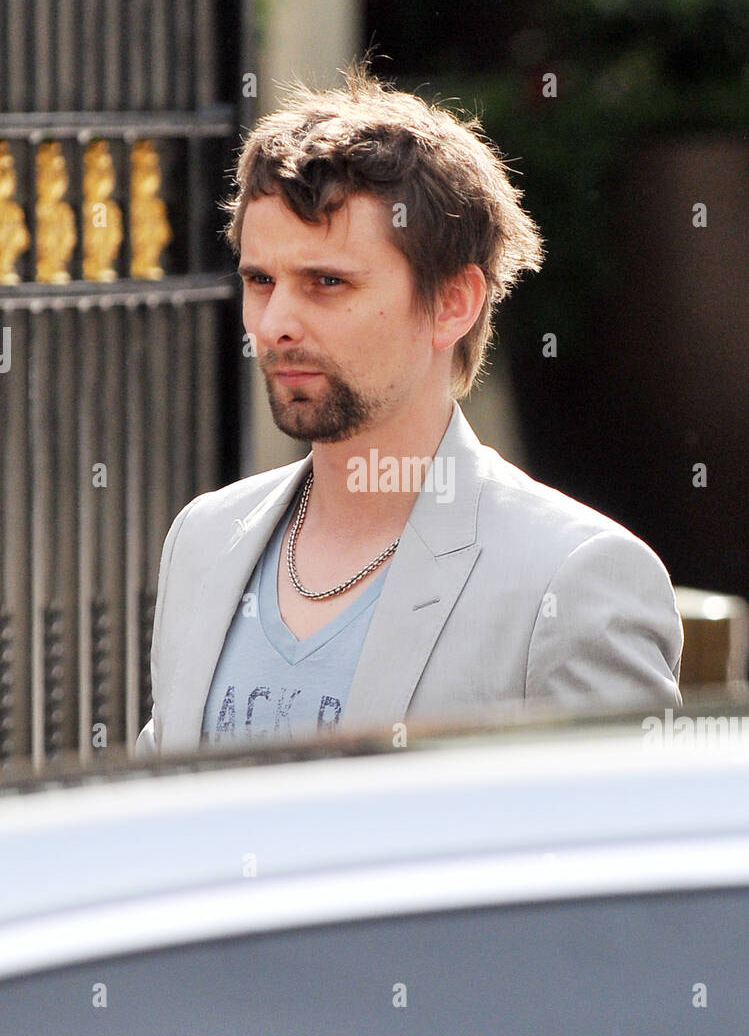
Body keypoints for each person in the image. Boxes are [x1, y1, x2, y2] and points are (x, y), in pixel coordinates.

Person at [136, 62, 682, 756]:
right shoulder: (205, 541)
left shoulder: (572, 580)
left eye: (327, 282)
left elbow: (626, 856)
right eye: (260, 280)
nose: (275, 322)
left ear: (453, 302)